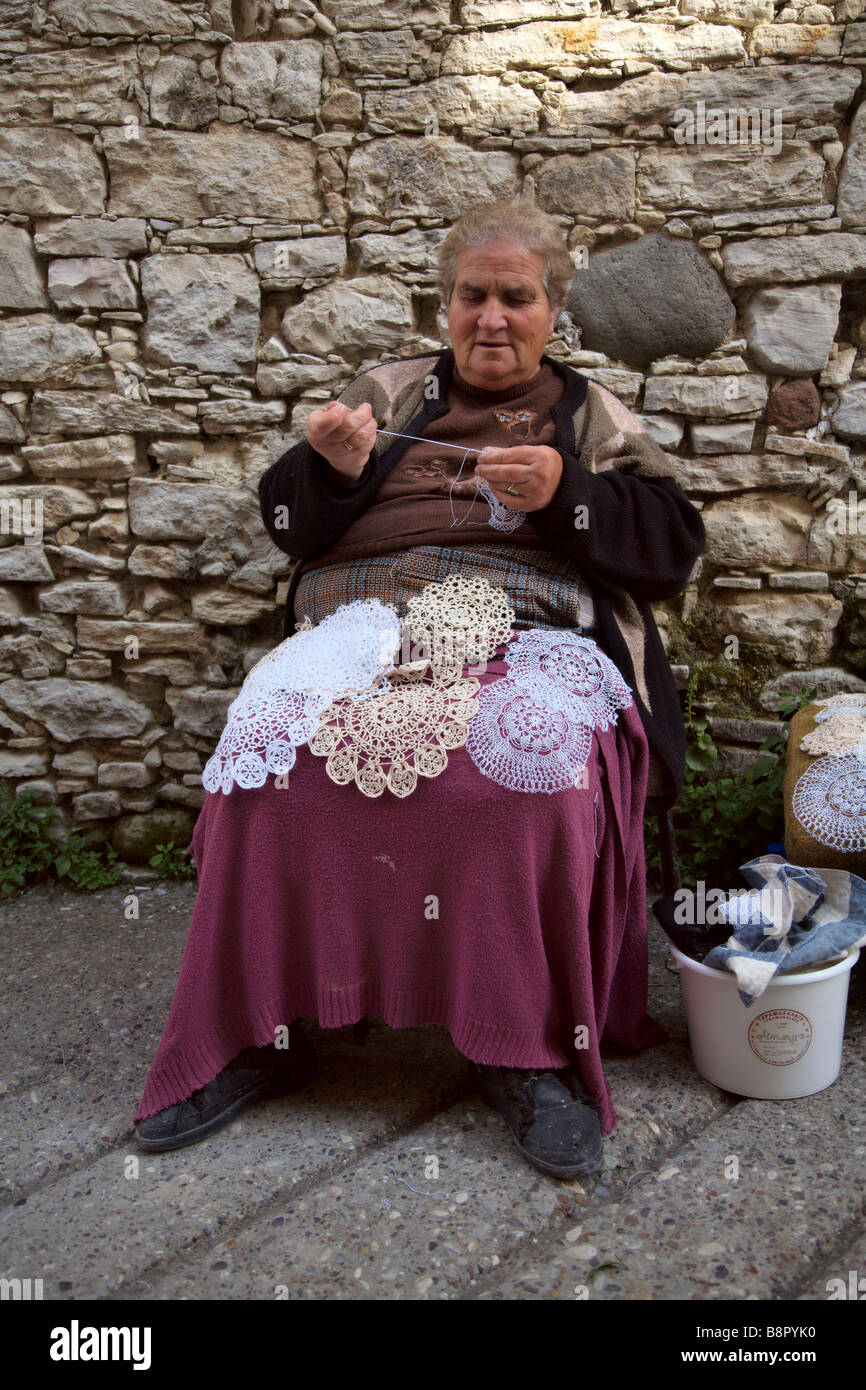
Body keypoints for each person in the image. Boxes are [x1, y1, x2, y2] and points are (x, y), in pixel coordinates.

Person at [134, 199, 705, 1179]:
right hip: (359, 628)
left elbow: (670, 547)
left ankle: (524, 1053)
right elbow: (283, 516)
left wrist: (569, 493)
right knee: (269, 775)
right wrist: (331, 468)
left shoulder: (590, 414)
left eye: (514, 298)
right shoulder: (388, 390)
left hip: (528, 631)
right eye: (471, 295)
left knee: (528, 779)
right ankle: (259, 1036)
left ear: (551, 308)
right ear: (444, 304)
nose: (491, 318)